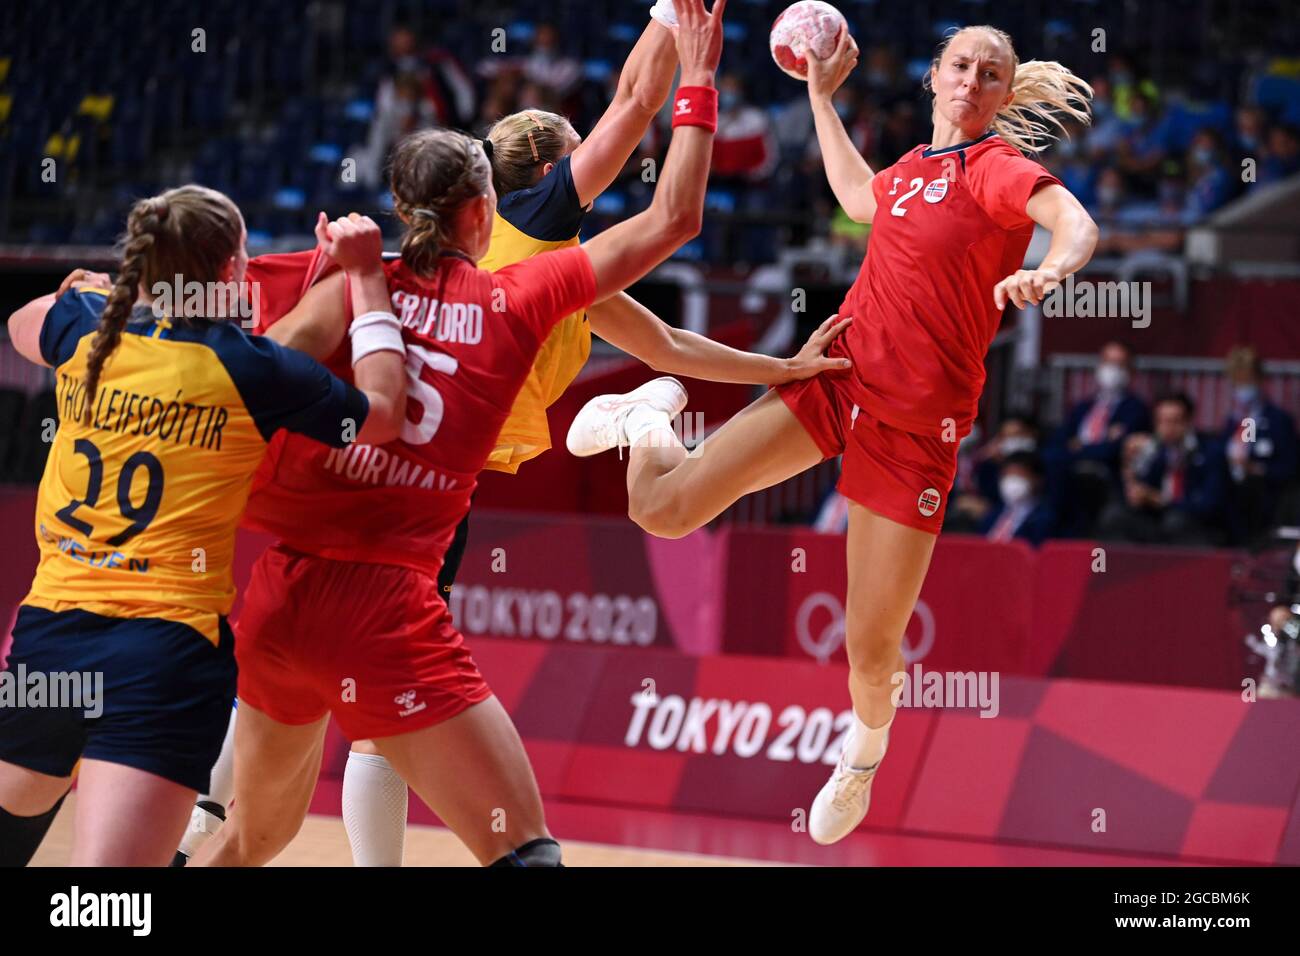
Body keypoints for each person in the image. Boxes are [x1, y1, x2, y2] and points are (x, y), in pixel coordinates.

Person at [188, 0, 731, 869]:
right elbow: (670, 212)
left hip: (283, 592)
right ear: (485, 208)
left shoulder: (340, 285)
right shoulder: (522, 290)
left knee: (255, 835)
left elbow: (242, 382)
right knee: (522, 851)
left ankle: (184, 836)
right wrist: (699, 72)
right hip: (387, 590)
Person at [565, 24, 1098, 845]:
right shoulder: (911, 172)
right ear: (934, 76)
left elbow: (1076, 223)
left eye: (990, 74)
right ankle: (651, 416)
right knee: (661, 512)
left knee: (871, 650)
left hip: (916, 432)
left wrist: (1052, 270)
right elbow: (859, 199)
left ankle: (861, 758)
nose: (972, 81)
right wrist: (819, 97)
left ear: (1002, 93)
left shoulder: (999, 172)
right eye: (960, 66)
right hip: (836, 374)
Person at [0, 186, 406, 866]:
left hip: (50, 642)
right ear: (228, 272)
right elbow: (385, 414)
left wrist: (90, 293)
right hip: (163, 653)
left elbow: (21, 324)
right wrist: (366, 277)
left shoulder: (81, 326)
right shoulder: (252, 368)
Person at [1099, 393, 1228, 546]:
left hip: (1198, 527)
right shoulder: (1154, 451)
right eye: (1162, 422)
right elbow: (1136, 491)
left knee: (1175, 520)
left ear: (1188, 422)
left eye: (1175, 421)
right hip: (1158, 522)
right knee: (1114, 515)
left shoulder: (1210, 452)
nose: (1168, 428)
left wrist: (1162, 501)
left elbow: (1209, 506)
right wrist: (1129, 467)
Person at [1221, 346, 1297, 544]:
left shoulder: (1278, 420)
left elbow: (1289, 468)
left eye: (1248, 380)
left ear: (1261, 379)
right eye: (1238, 381)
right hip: (1230, 505)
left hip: (1266, 503)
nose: (1243, 387)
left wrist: (1257, 469)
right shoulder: (1232, 421)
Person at [979, 451, 1056, 545]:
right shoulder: (993, 513)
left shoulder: (1045, 518)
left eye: (1019, 475)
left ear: (1038, 479)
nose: (1012, 481)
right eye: (1007, 475)